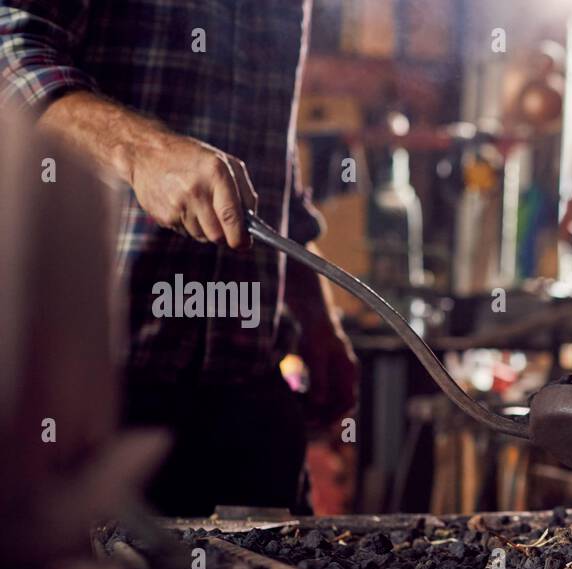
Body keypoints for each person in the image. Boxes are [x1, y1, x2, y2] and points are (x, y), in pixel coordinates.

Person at [0, 1, 357, 515]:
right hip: (95, 394)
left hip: (246, 396)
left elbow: (268, 158)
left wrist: (316, 314)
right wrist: (142, 151)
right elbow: (11, 52)